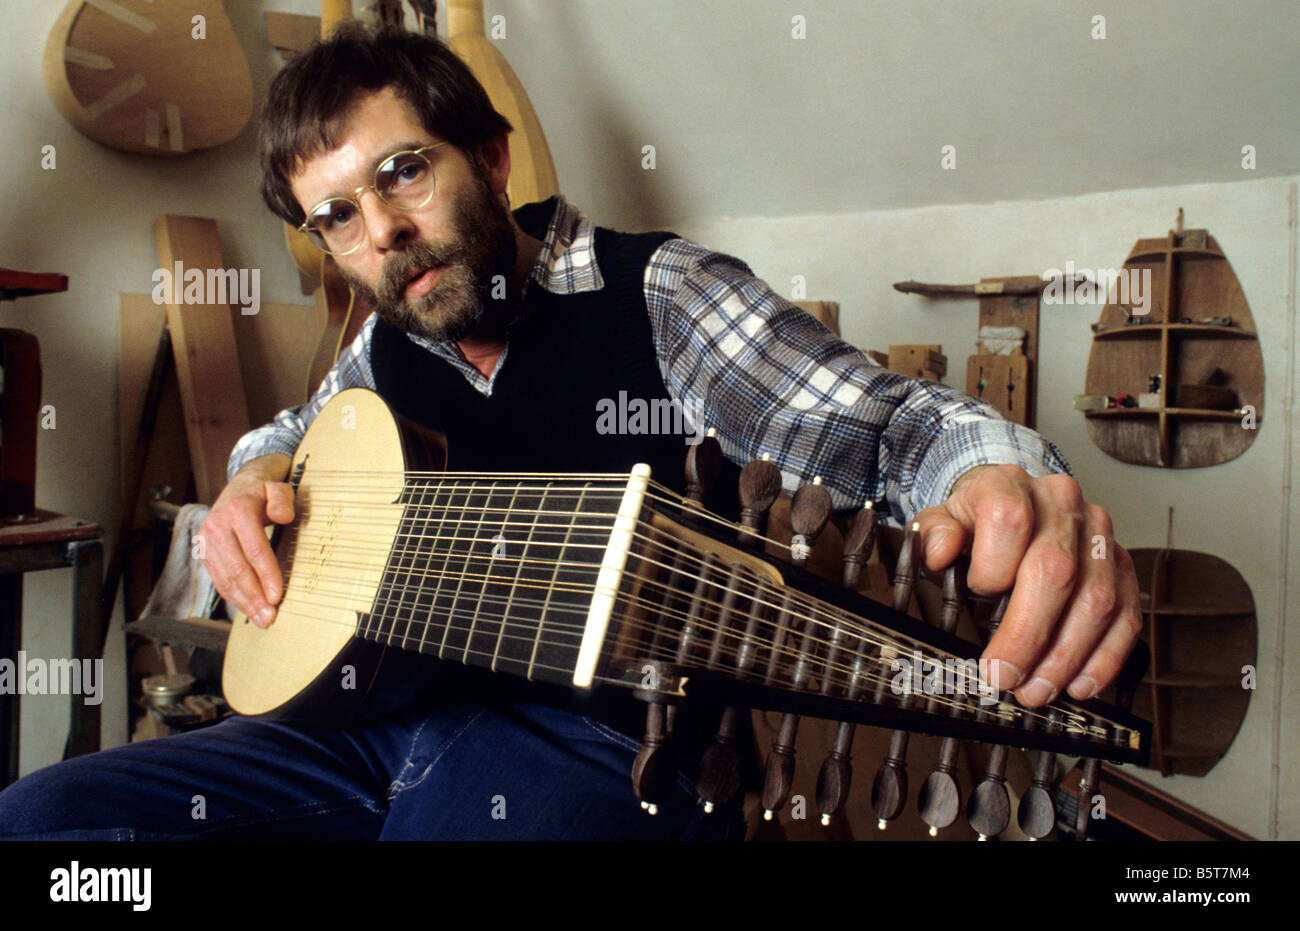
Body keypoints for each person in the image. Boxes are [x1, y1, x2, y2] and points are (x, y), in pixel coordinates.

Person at [0, 26, 1140, 841]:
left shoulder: (660, 292)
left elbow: (888, 436)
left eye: (406, 171)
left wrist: (1001, 471)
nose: (386, 232)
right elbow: (296, 432)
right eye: (338, 217)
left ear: (489, 161)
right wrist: (254, 472)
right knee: (46, 821)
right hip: (379, 720)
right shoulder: (385, 343)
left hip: (604, 737)